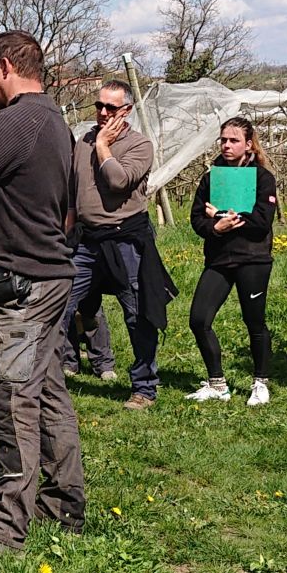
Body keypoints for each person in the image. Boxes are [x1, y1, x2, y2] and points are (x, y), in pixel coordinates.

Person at [0, 30, 84, 560]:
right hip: (53, 274)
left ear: (4, 65)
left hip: (22, 285)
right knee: (48, 389)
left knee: (9, 399)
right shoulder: (55, 121)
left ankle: (3, 530)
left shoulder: (16, 121)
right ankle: (62, 502)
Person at [65, 79, 171, 409]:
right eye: (99, 105)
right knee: (60, 304)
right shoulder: (82, 142)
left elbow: (118, 180)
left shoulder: (140, 145)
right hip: (86, 242)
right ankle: (51, 376)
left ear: (126, 111)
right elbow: (73, 188)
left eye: (111, 107)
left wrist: (103, 147)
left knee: (138, 315)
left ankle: (144, 387)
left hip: (126, 241)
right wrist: (68, 221)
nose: (102, 112)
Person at [186, 116, 279, 405]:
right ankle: (217, 383)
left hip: (253, 259)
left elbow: (261, 221)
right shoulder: (212, 177)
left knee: (255, 321)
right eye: (223, 140)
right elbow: (196, 218)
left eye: (233, 140)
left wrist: (220, 215)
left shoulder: (262, 178)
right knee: (199, 319)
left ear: (248, 144)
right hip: (218, 259)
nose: (226, 145)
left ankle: (260, 382)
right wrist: (215, 226)